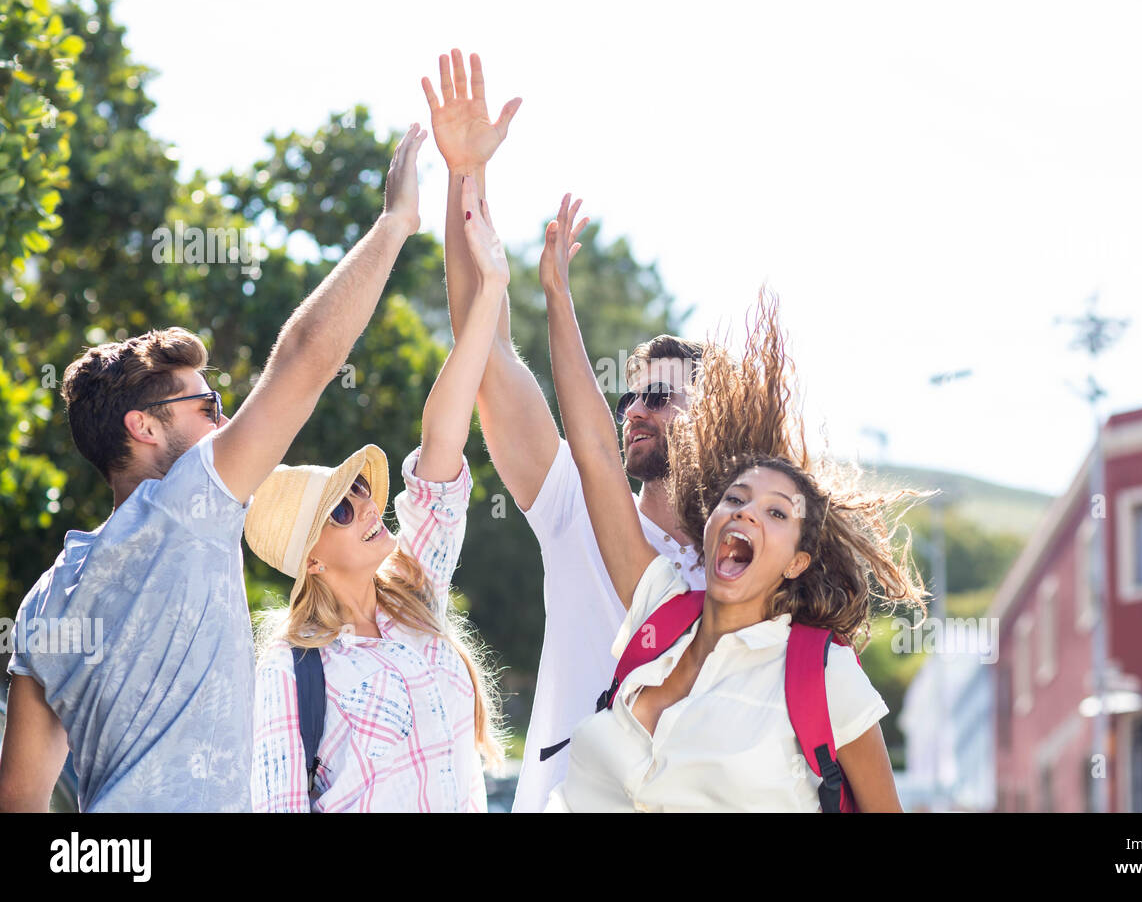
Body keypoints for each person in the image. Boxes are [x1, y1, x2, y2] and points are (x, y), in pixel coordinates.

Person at [0, 126, 428, 812]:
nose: (227, 423)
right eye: (208, 405)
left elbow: (19, 797)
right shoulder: (185, 508)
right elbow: (306, 360)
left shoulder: (46, 602)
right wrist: (394, 223)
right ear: (144, 428)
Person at [539, 228, 930, 810]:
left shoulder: (819, 673)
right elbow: (596, 452)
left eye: (776, 511)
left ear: (799, 558)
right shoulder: (662, 612)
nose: (747, 513)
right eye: (737, 499)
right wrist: (555, 297)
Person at [423, 49, 710, 812]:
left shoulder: (743, 569)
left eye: (659, 396)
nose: (633, 410)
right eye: (627, 396)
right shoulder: (572, 507)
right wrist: (464, 174)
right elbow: (485, 352)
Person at [245, 177, 508, 812]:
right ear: (311, 560)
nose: (367, 506)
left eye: (361, 492)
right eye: (341, 508)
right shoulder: (292, 668)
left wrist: (493, 287)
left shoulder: (419, 597)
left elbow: (442, 440)